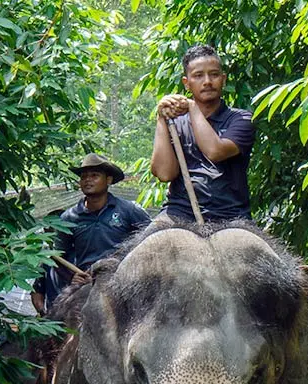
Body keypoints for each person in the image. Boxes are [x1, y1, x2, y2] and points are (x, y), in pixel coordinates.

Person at [151, 44, 255, 225]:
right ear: (187, 83)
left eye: (214, 75)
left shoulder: (242, 119)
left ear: (223, 79)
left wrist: (191, 106)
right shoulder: (174, 124)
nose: (207, 81)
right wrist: (161, 119)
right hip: (179, 211)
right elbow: (165, 173)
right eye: (198, 76)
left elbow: (215, 151)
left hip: (231, 215)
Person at [34, 154, 150, 313]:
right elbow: (58, 257)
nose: (88, 180)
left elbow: (150, 240)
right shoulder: (69, 217)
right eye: (83, 177)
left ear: (108, 180)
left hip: (123, 283)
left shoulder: (128, 210)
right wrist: (71, 277)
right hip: (87, 285)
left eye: (94, 175)